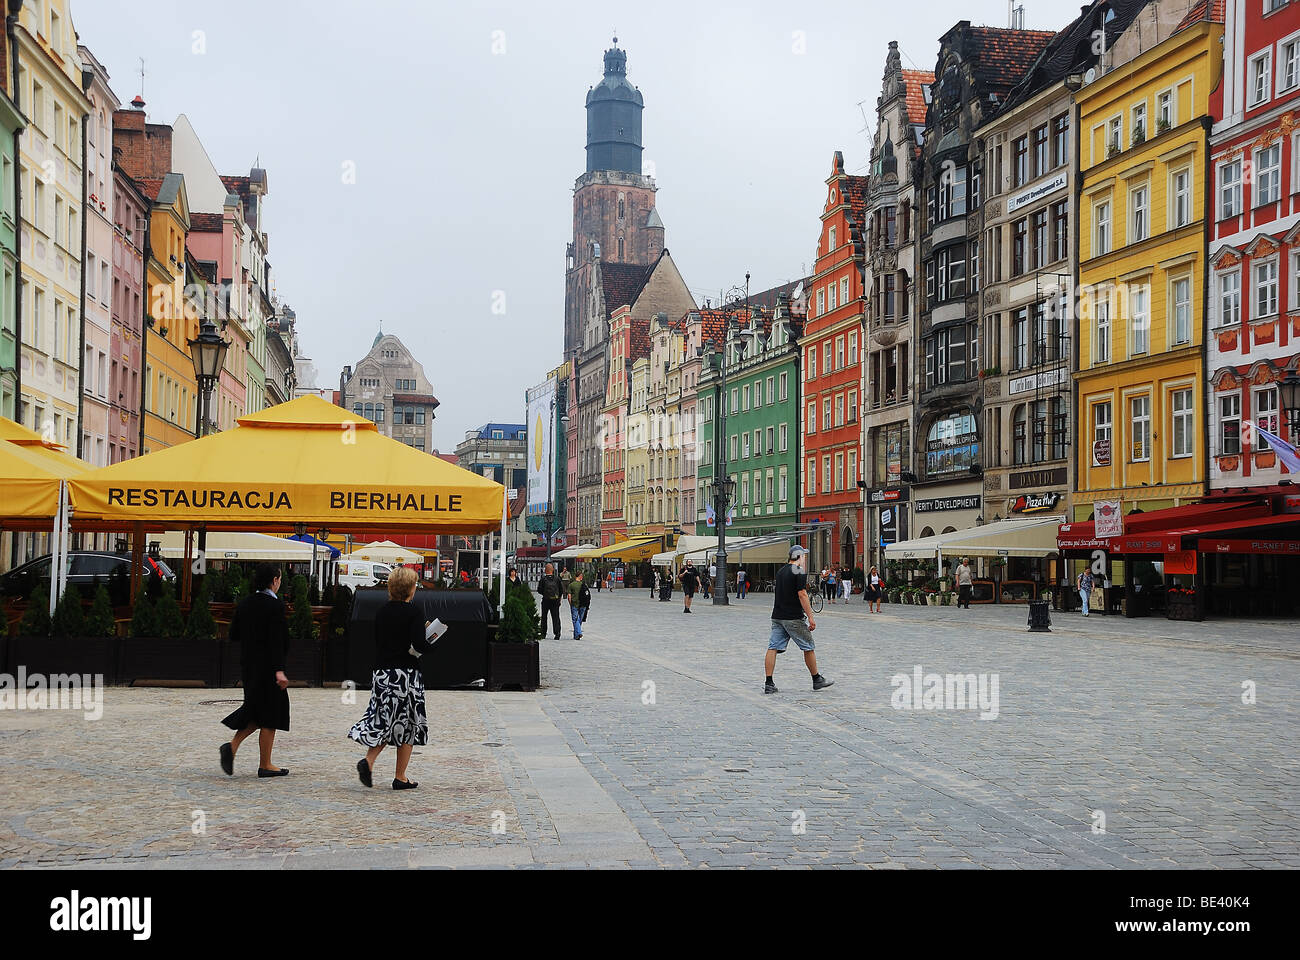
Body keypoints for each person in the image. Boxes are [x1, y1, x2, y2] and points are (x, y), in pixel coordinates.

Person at [349, 567, 429, 790]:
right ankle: (400, 776)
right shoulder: (414, 612)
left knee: (385, 718)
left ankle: (369, 761)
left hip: (382, 673)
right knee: (408, 723)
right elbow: (418, 645)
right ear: (410, 589)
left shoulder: (382, 612)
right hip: (406, 674)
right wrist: (430, 639)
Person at [220, 563, 291, 778]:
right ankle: (265, 764)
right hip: (269, 668)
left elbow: (234, 634)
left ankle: (232, 748)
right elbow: (277, 642)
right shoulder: (275, 606)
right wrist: (279, 670)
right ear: (275, 581)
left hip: (249, 666)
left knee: (257, 709)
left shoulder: (245, 603)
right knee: (272, 713)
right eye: (279, 579)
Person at [765, 546, 833, 695]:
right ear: (799, 556)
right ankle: (817, 679)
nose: (805, 559)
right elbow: (802, 594)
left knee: (773, 647)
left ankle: (769, 683)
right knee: (808, 646)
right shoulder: (799, 571)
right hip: (793, 617)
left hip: (777, 616)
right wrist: (811, 617)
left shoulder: (781, 571)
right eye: (804, 556)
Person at [537, 562, 563, 639]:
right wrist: (559, 599)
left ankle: (543, 633)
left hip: (546, 600)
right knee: (556, 617)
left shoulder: (543, 579)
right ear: (553, 570)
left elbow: (539, 590)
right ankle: (557, 633)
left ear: (545, 570)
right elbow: (561, 590)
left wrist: (545, 594)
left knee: (544, 617)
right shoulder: (557, 579)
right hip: (555, 601)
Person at [566, 570, 587, 638]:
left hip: (574, 604)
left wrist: (570, 603)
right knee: (579, 620)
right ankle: (576, 635)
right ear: (580, 576)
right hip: (583, 604)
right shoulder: (583, 585)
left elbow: (569, 596)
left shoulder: (571, 585)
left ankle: (578, 633)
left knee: (575, 620)